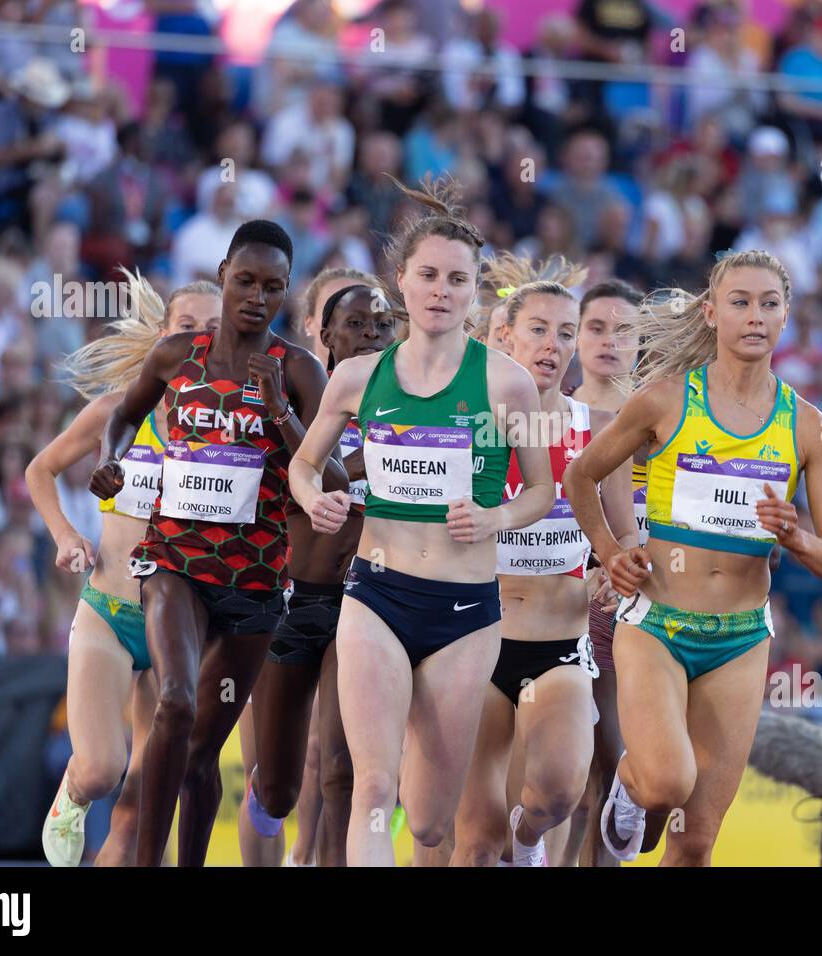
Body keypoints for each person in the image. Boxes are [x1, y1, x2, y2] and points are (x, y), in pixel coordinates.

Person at [287, 176, 554, 866]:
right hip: (377, 594)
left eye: (457, 279)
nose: (441, 290)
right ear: (400, 282)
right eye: (428, 275)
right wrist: (315, 497)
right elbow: (303, 466)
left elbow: (542, 493)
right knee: (372, 786)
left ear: (475, 292)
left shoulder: (506, 382)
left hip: (465, 611)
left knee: (432, 820)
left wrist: (493, 516)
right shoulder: (357, 378)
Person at [563, 249, 822, 865]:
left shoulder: (811, 429)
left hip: (742, 638)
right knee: (669, 782)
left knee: (694, 844)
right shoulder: (663, 401)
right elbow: (580, 478)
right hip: (658, 625)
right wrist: (610, 551)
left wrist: (796, 538)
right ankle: (631, 780)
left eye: (769, 304)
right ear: (711, 313)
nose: (755, 316)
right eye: (740, 303)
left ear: (786, 317)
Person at [89, 220, 338, 867]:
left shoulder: (301, 370)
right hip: (176, 563)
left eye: (273, 287)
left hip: (256, 585)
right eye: (246, 280)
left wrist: (280, 410)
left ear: (286, 292)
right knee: (174, 702)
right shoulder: (178, 355)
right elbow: (124, 412)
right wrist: (112, 457)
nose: (257, 296)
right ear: (224, 273)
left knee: (200, 754)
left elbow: (332, 479)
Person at [30, 271, 222, 866]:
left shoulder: (236, 426)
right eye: (186, 327)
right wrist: (66, 536)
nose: (198, 340)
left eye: (213, 330)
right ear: (162, 337)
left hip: (186, 626)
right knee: (101, 770)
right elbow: (41, 470)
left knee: (145, 800)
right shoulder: (115, 411)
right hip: (111, 613)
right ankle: (71, 794)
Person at [451, 274, 637, 867]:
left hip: (561, 642)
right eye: (538, 330)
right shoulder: (466, 425)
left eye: (564, 332)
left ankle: (527, 843)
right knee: (471, 840)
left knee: (558, 793)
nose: (551, 345)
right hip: (473, 640)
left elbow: (624, 532)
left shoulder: (600, 429)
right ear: (504, 337)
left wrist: (617, 566)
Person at [244, 282, 397, 868]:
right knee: (281, 787)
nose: (371, 336)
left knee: (339, 766)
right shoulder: (307, 399)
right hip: (292, 601)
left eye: (383, 325)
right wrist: (281, 411)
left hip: (366, 602)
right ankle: (272, 802)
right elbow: (319, 473)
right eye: (356, 324)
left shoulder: (411, 405)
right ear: (325, 335)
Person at [562, 278, 647, 866]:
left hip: (641, 604)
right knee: (571, 770)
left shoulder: (667, 419)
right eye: (595, 327)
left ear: (644, 343)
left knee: (624, 765)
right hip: (561, 604)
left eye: (624, 331)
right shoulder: (545, 413)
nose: (609, 342)